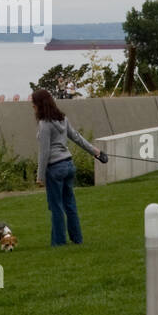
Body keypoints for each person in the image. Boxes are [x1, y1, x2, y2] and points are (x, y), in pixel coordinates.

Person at [32, 88, 106, 246]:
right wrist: (96, 152)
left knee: (56, 207)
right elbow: (77, 138)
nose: (33, 107)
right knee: (70, 204)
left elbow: (44, 152)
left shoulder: (44, 124)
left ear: (39, 104)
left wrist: (40, 176)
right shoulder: (63, 119)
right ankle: (77, 238)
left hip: (55, 168)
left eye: (33, 104)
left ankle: (59, 242)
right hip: (68, 164)